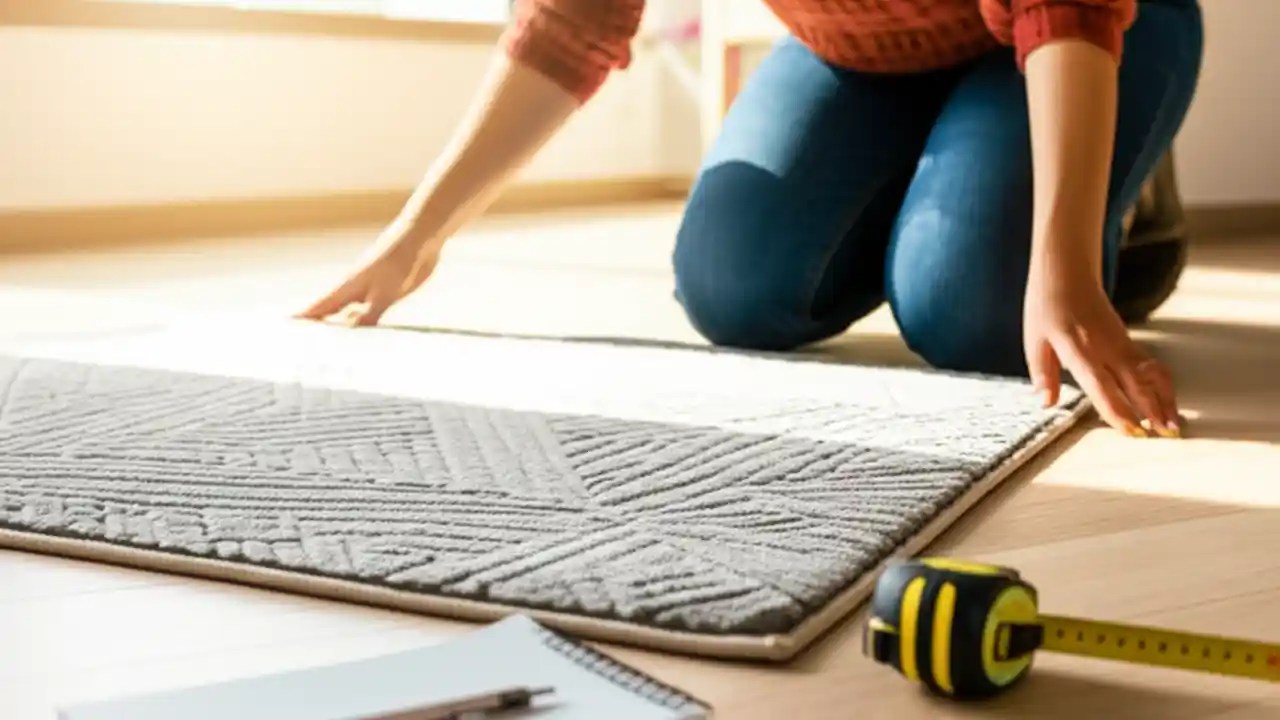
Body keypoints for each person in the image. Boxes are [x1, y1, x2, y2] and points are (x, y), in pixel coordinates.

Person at [298, 0, 1204, 440]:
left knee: (975, 312)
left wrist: (1062, 267)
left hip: (1084, 19)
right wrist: (415, 237)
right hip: (866, 51)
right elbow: (570, 25)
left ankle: (1113, 199)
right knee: (733, 286)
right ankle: (958, 167)